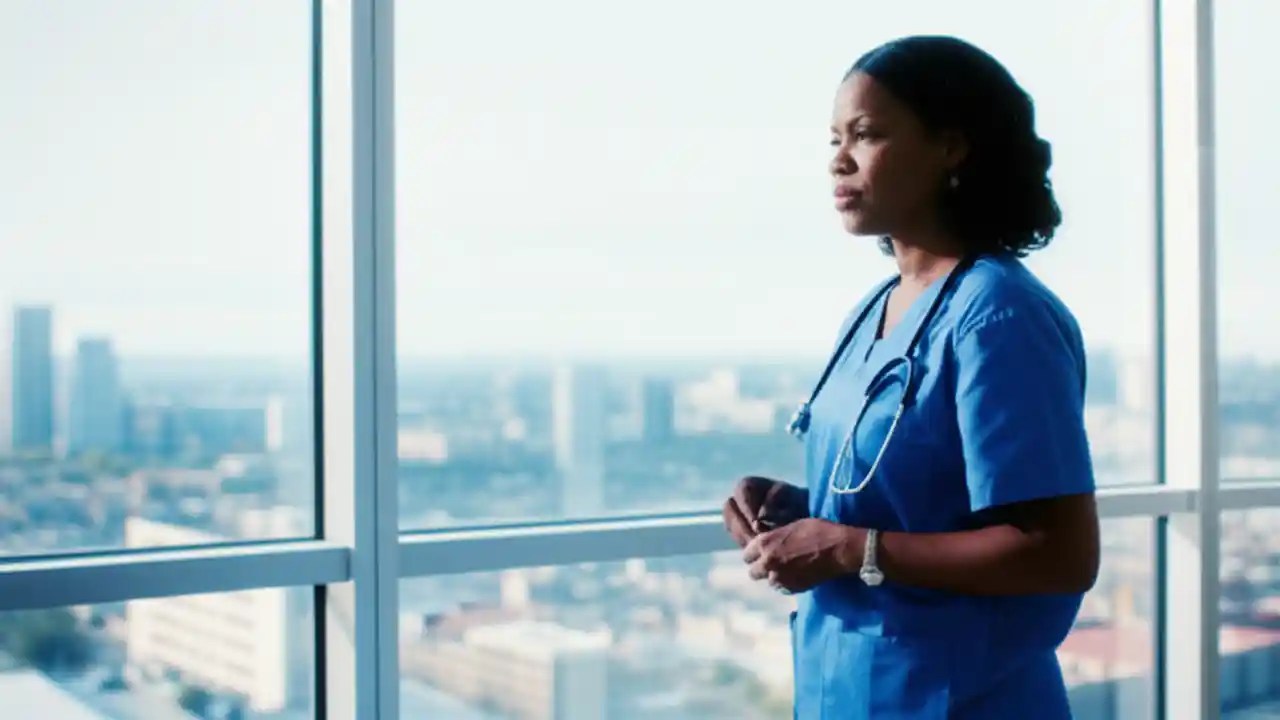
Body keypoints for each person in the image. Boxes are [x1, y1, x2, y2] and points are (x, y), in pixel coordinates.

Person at [721, 36, 1100, 719]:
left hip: (962, 697)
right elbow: (913, 504)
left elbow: (1057, 554)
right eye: (834, 138)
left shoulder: (999, 316)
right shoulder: (876, 306)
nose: (839, 159)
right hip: (846, 688)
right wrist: (799, 510)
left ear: (951, 148)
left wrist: (849, 547)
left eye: (866, 135)